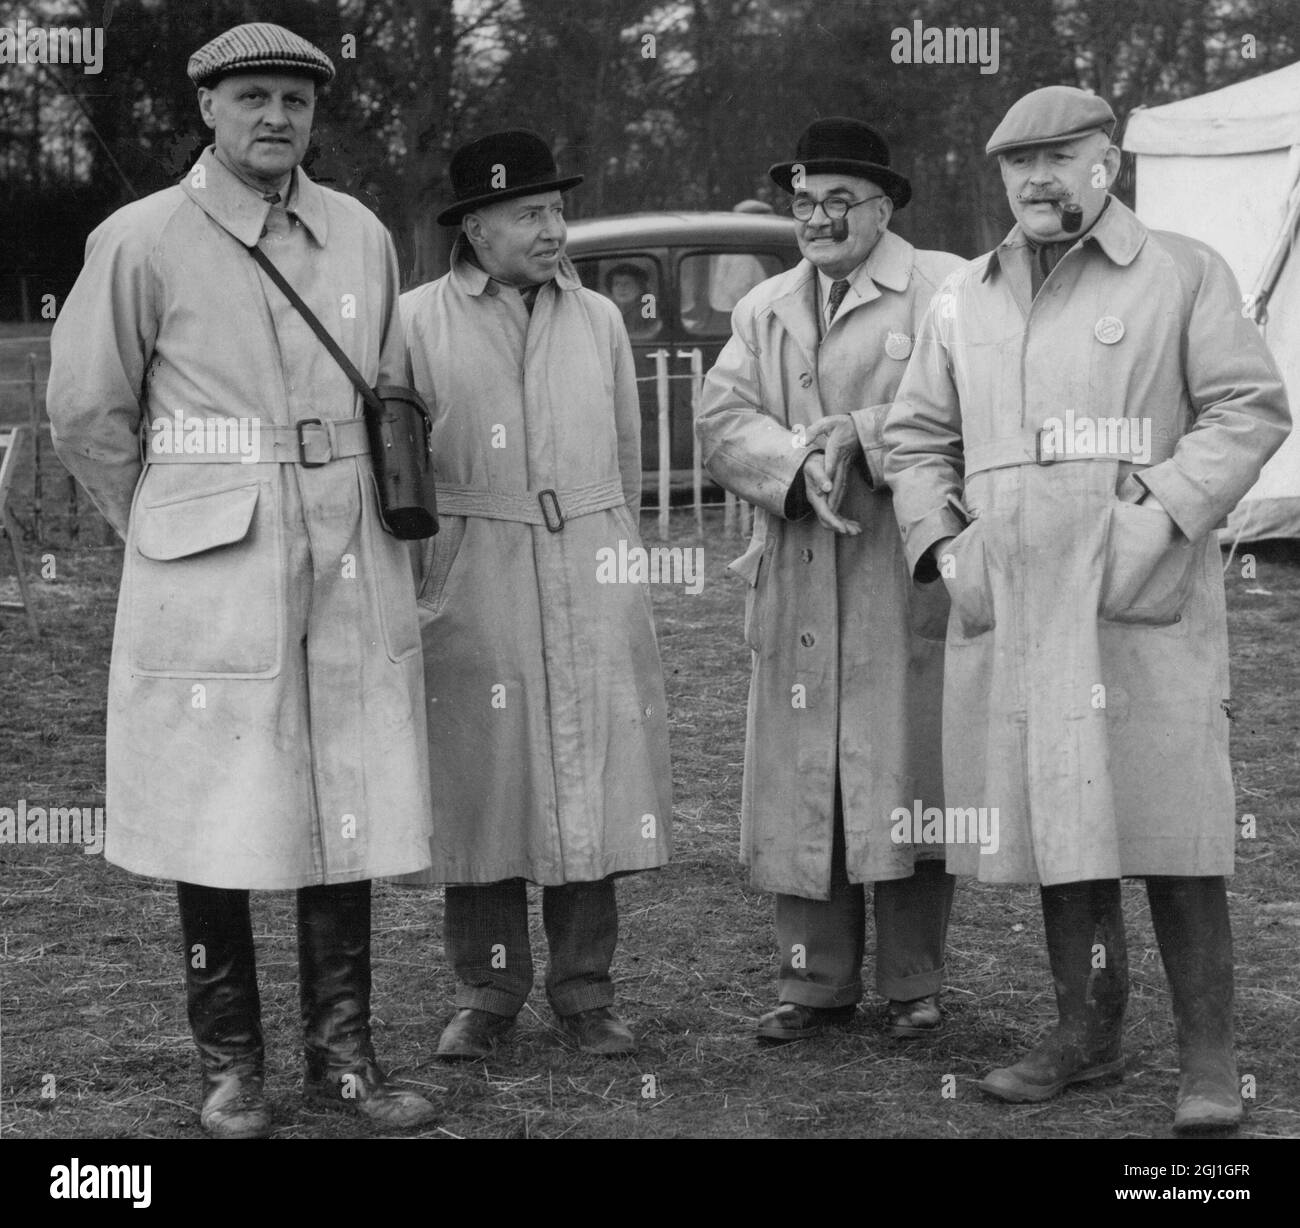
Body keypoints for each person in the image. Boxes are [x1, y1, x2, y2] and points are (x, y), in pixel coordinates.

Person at [46, 22, 437, 1138]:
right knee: (211, 805)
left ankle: (346, 1061)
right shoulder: (142, 236)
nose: (276, 116)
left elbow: (391, 382)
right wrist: (169, 521)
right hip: (213, 561)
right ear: (207, 109)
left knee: (347, 797)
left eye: (295, 100)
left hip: (349, 544)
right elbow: (88, 411)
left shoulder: (359, 232)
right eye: (253, 96)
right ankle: (231, 1069)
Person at [883, 86, 1291, 1133]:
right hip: (1012, 592)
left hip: (1137, 589)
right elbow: (915, 436)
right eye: (1017, 163)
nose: (1036, 178)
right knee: (1057, 821)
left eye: (1059, 157)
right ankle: (1087, 1033)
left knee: (1172, 822)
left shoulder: (1182, 271)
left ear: (1107, 161)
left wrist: (1160, 513)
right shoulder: (964, 296)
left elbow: (1250, 406)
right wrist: (946, 546)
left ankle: (1209, 1059)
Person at [401, 130, 672, 1060]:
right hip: (474, 570)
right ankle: (488, 992)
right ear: (476, 227)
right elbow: (399, 470)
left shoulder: (596, 319)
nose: (554, 229)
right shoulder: (414, 322)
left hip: (588, 562)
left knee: (590, 782)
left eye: (558, 211)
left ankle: (586, 990)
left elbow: (626, 456)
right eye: (529, 214)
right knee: (485, 787)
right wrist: (431, 575)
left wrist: (618, 553)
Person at [697, 117, 961, 1044]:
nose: (817, 218)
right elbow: (721, 420)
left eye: (839, 201)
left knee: (906, 770)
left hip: (898, 562)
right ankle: (813, 984)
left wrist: (862, 434)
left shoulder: (945, 290)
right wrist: (793, 464)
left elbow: (971, 410)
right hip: (801, 563)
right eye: (804, 201)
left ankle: (916, 982)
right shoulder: (765, 306)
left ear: (884, 208)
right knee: (806, 779)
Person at [603, 261, 658, 338]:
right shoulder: (605, 308)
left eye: (627, 283)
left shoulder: (648, 307)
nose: (621, 288)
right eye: (617, 284)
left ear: (640, 287)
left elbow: (650, 333)